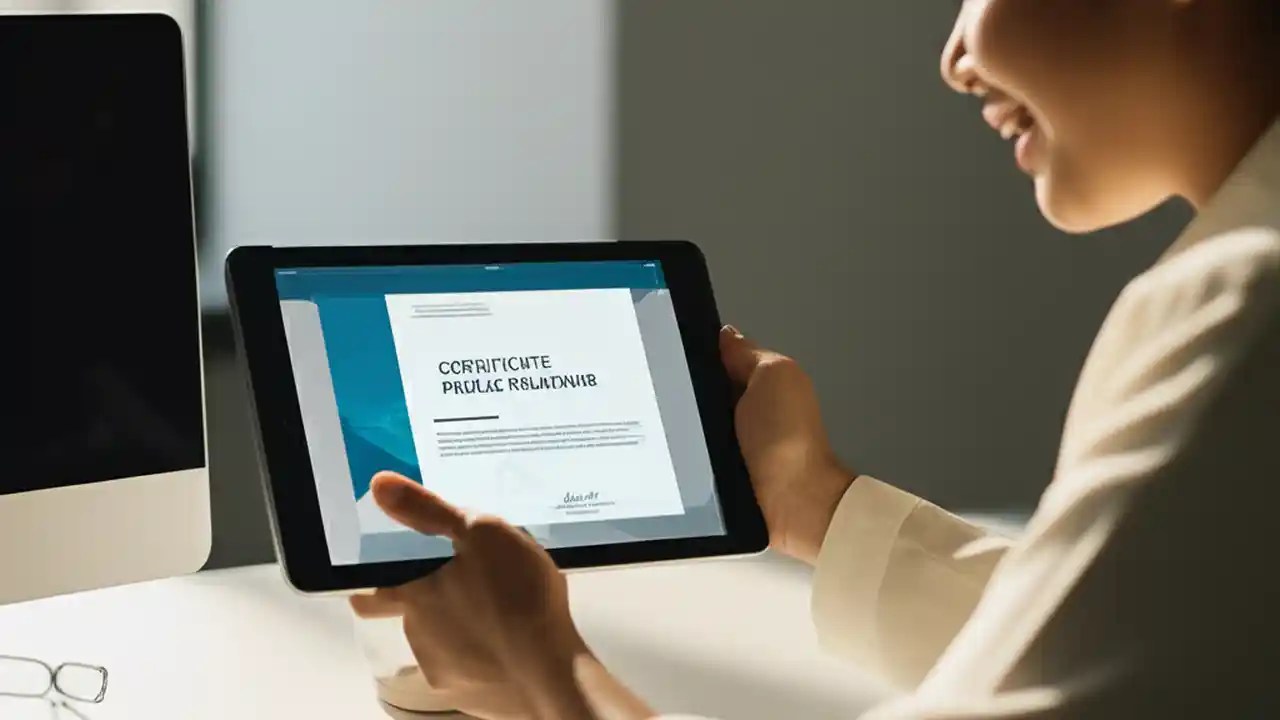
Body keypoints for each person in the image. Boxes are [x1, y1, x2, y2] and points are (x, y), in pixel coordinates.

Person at [350, 1, 1280, 717]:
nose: (955, 60)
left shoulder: (1243, 302)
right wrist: (811, 502)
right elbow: (1153, 649)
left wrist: (542, 677)